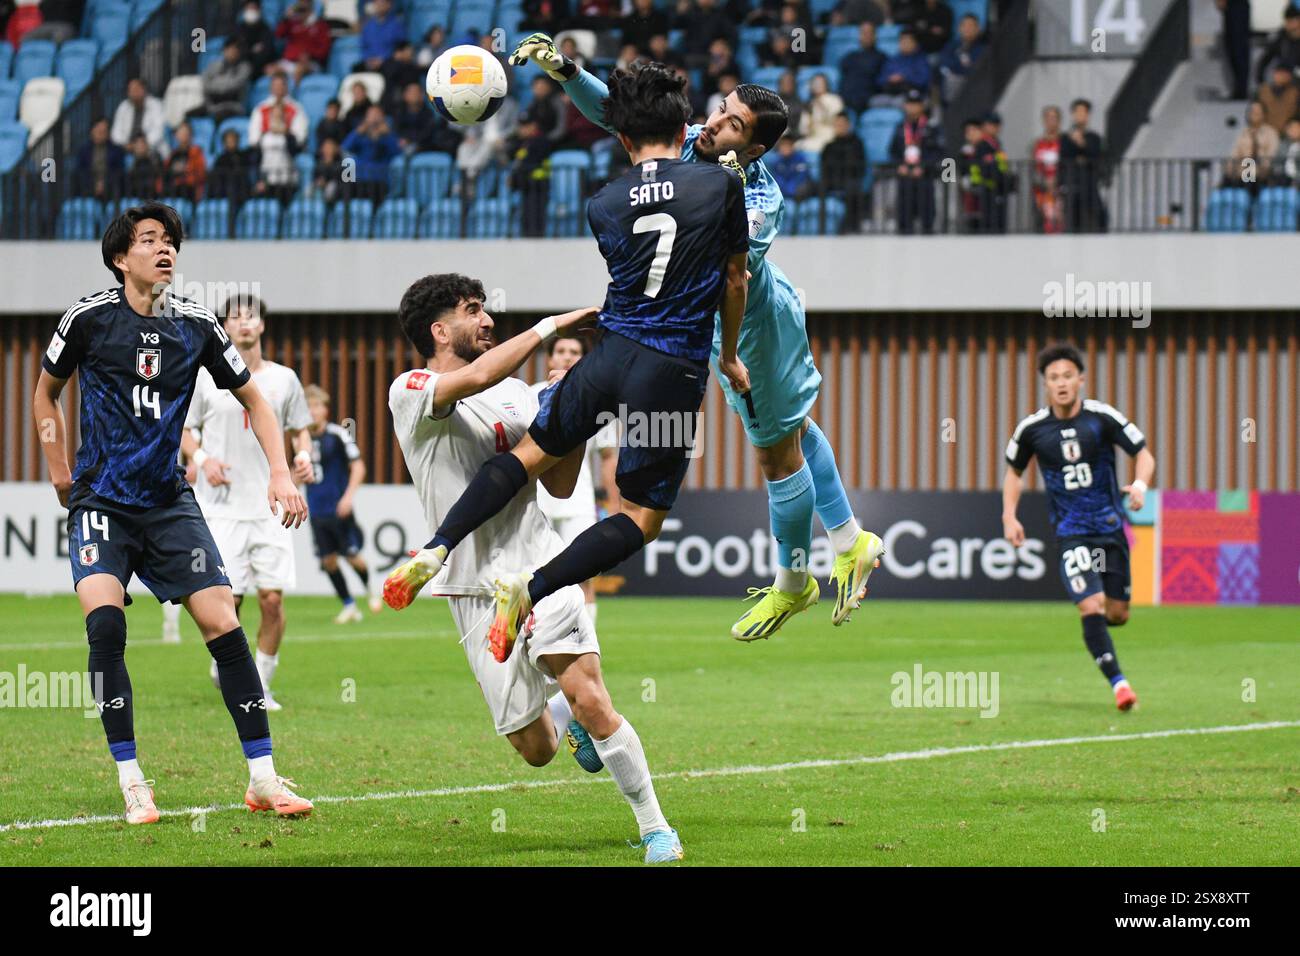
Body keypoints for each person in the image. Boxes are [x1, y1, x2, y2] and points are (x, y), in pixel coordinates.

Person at [506, 35, 885, 640]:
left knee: (774, 451)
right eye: (719, 108)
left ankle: (794, 585)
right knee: (796, 429)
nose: (712, 124)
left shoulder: (761, 193)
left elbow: (734, 264)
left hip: (756, 327)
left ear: (755, 146)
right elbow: (618, 113)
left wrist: (730, 353)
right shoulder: (691, 143)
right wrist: (565, 70)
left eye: (732, 124)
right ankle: (850, 541)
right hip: (715, 324)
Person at [384, 62, 753, 661]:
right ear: (683, 124)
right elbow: (735, 279)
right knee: (639, 516)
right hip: (672, 371)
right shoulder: (720, 186)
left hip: (608, 355)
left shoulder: (602, 202)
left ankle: (437, 545)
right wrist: (730, 357)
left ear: (624, 138)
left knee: (528, 456)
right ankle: (529, 591)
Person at [387, 274, 684, 864]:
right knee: (536, 749)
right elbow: (476, 376)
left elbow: (559, 480)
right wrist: (550, 326)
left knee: (593, 698)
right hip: (471, 589)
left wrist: (571, 415)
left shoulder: (519, 396)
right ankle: (559, 715)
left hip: (538, 566)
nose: (487, 319)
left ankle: (656, 829)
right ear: (440, 330)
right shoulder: (412, 388)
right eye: (474, 311)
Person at [32, 203, 311, 825]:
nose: (166, 251)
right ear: (119, 257)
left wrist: (279, 469)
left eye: (171, 242)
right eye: (150, 240)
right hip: (101, 499)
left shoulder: (198, 325)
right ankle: (132, 780)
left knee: (224, 625)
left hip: (167, 503)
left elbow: (257, 403)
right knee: (105, 628)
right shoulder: (87, 319)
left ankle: (263, 778)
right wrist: (57, 465)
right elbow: (45, 390)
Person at [1002, 343, 1155, 713]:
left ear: (1081, 379)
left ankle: (1101, 634)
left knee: (1116, 613)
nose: (1061, 383)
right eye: (1053, 378)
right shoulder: (1032, 429)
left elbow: (1143, 454)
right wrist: (1009, 515)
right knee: (1090, 604)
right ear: (1045, 384)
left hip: (1108, 528)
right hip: (1071, 532)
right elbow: (1014, 472)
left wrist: (1139, 486)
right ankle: (1120, 685)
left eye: (1068, 376)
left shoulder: (1101, 418)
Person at [184, 295, 314, 711]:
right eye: (235, 318)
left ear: (262, 326)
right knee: (228, 602)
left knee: (272, 600)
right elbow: (185, 431)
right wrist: (202, 459)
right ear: (225, 326)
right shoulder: (205, 379)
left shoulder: (284, 380)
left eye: (251, 317)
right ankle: (231, 668)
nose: (244, 324)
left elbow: (301, 430)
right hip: (221, 507)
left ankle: (260, 685)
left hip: (270, 507)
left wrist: (304, 457)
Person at [530, 335, 619, 625]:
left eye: (575, 352)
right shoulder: (530, 396)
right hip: (535, 503)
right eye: (561, 351)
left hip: (579, 504)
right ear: (550, 358)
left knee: (583, 577)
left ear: (584, 359)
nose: (567, 356)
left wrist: (615, 507)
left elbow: (608, 457)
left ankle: (586, 647)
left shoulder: (599, 402)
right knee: (531, 575)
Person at [304, 385, 382, 621]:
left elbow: (358, 466)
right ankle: (349, 605)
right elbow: (297, 474)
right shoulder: (301, 440)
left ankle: (370, 590)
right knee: (328, 560)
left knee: (351, 556)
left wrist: (348, 496)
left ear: (325, 410)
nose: (313, 411)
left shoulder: (338, 434)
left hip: (338, 508)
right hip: (316, 510)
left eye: (317, 406)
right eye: (308, 407)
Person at [889, 88, 941, 234]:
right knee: (904, 219)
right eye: (909, 103)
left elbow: (939, 152)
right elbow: (893, 151)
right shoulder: (900, 127)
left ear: (922, 106)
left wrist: (924, 167)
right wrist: (900, 165)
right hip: (905, 178)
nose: (912, 107)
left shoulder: (931, 126)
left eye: (916, 103)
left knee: (927, 219)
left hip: (925, 177)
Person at [1059, 98, 1105, 232]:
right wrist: (1082, 153)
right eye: (1078, 112)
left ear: (1088, 115)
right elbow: (1066, 155)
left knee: (1100, 214)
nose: (1081, 115)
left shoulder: (1094, 137)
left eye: (1084, 112)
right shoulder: (1065, 137)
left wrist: (1081, 144)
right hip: (1072, 182)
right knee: (1073, 219)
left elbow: (1095, 154)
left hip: (1090, 181)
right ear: (1073, 115)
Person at [821, 111, 866, 232]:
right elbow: (824, 169)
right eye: (837, 125)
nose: (840, 127)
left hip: (850, 182)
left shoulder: (856, 144)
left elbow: (860, 168)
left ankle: (851, 228)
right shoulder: (829, 146)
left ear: (848, 125)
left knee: (853, 189)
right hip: (832, 182)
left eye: (842, 124)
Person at [1226, 100, 1280, 193]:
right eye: (1252, 111)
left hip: (1263, 174)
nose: (1255, 113)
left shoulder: (1271, 133)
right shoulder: (1243, 133)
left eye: (1258, 111)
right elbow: (1234, 155)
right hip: (1242, 174)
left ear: (1264, 114)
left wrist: (1260, 168)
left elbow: (1272, 155)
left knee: (1252, 174)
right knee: (1225, 183)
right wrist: (1231, 170)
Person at [111, 78, 168, 159]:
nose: (133, 92)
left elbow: (159, 130)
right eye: (131, 90)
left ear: (144, 90)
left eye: (136, 89)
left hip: (151, 149)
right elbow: (115, 133)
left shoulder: (156, 105)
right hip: (127, 149)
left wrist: (143, 145)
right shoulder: (123, 107)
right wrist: (126, 145)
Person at [200, 38, 252, 123]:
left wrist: (216, 82)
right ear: (224, 50)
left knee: (218, 117)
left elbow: (234, 86)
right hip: (213, 105)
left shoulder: (244, 67)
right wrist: (223, 84)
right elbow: (205, 83)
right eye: (229, 49)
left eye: (235, 50)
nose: (232, 53)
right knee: (189, 115)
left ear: (239, 52)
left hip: (233, 106)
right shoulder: (214, 65)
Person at [839, 21, 886, 113]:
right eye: (863, 33)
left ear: (875, 35)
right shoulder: (849, 57)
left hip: (868, 99)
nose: (866, 36)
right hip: (845, 98)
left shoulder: (882, 57)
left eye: (869, 32)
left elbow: (881, 83)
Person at [74, 117, 125, 200]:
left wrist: (105, 185)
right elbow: (81, 173)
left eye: (104, 131)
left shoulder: (117, 151)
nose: (101, 134)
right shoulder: (83, 151)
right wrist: (94, 186)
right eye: (98, 131)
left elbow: (119, 173)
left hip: (111, 192)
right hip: (89, 191)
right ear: (92, 132)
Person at [1031, 105, 1063, 234]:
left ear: (1059, 121)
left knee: (1059, 223)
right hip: (1041, 191)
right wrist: (1044, 181)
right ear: (1043, 120)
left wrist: (1057, 180)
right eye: (1048, 118)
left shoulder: (1064, 142)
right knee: (1044, 224)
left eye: (1054, 118)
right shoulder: (1037, 143)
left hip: (1060, 190)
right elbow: (1034, 166)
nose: (1051, 121)